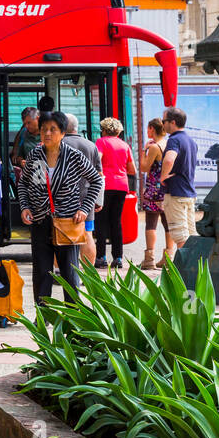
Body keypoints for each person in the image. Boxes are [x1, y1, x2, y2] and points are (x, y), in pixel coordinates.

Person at [20, 111, 102, 305]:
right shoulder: (35, 155)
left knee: (69, 274)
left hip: (67, 222)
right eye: (43, 130)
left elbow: (96, 180)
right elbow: (23, 183)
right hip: (40, 221)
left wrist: (85, 208)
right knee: (41, 272)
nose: (47, 133)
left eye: (52, 129)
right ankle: (43, 314)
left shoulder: (73, 156)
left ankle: (72, 315)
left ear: (63, 132)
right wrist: (25, 206)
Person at [94, 117, 136, 271]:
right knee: (116, 222)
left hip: (105, 185)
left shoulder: (101, 142)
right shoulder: (125, 145)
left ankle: (101, 257)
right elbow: (132, 170)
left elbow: (97, 161)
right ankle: (118, 258)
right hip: (121, 186)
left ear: (104, 130)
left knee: (101, 221)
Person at [159, 106, 198, 269]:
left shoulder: (174, 140)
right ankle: (196, 267)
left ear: (172, 122)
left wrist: (163, 176)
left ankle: (185, 271)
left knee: (180, 235)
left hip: (176, 193)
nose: (162, 125)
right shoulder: (190, 140)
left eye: (164, 121)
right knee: (190, 234)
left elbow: (169, 159)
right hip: (188, 192)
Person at [63, 112, 104, 266]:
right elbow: (99, 175)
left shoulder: (57, 145)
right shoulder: (91, 145)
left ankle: (61, 271)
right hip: (87, 197)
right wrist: (98, 199)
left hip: (64, 197)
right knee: (87, 233)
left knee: (61, 233)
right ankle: (88, 274)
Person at [139, 117, 175, 271]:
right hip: (167, 189)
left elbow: (144, 168)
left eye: (148, 128)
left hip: (154, 190)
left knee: (151, 224)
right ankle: (168, 258)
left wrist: (143, 151)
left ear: (152, 129)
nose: (147, 131)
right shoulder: (169, 144)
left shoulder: (154, 147)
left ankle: (149, 259)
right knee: (168, 224)